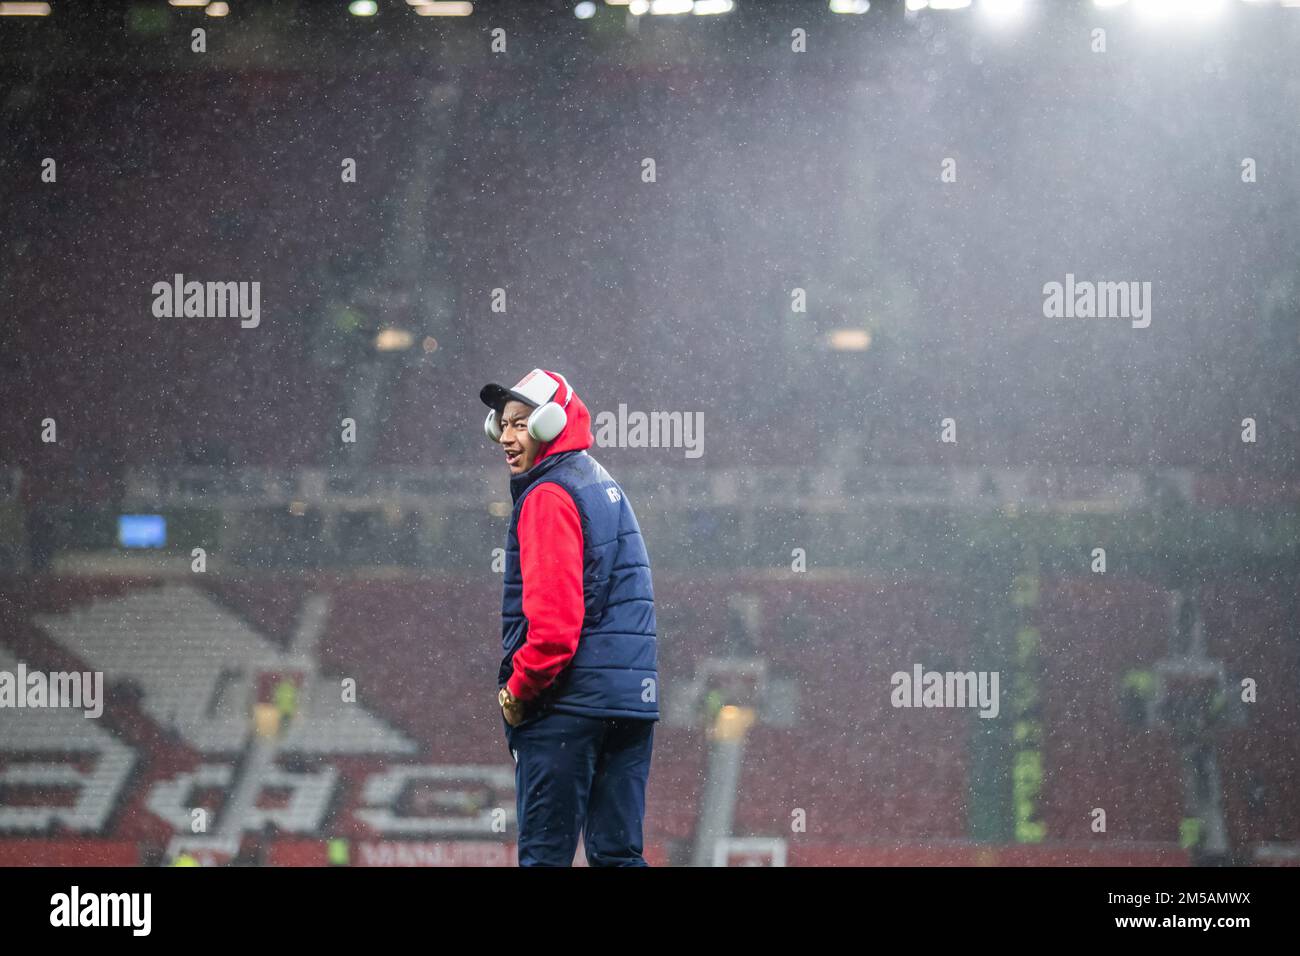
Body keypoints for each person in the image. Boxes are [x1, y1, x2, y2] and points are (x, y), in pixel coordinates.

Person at [480, 368, 659, 866]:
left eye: (521, 423)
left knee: (545, 858)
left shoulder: (548, 496)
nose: (507, 437)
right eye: (503, 425)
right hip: (627, 704)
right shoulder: (600, 482)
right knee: (618, 856)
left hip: (567, 705)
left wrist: (519, 690)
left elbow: (555, 630)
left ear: (549, 425)